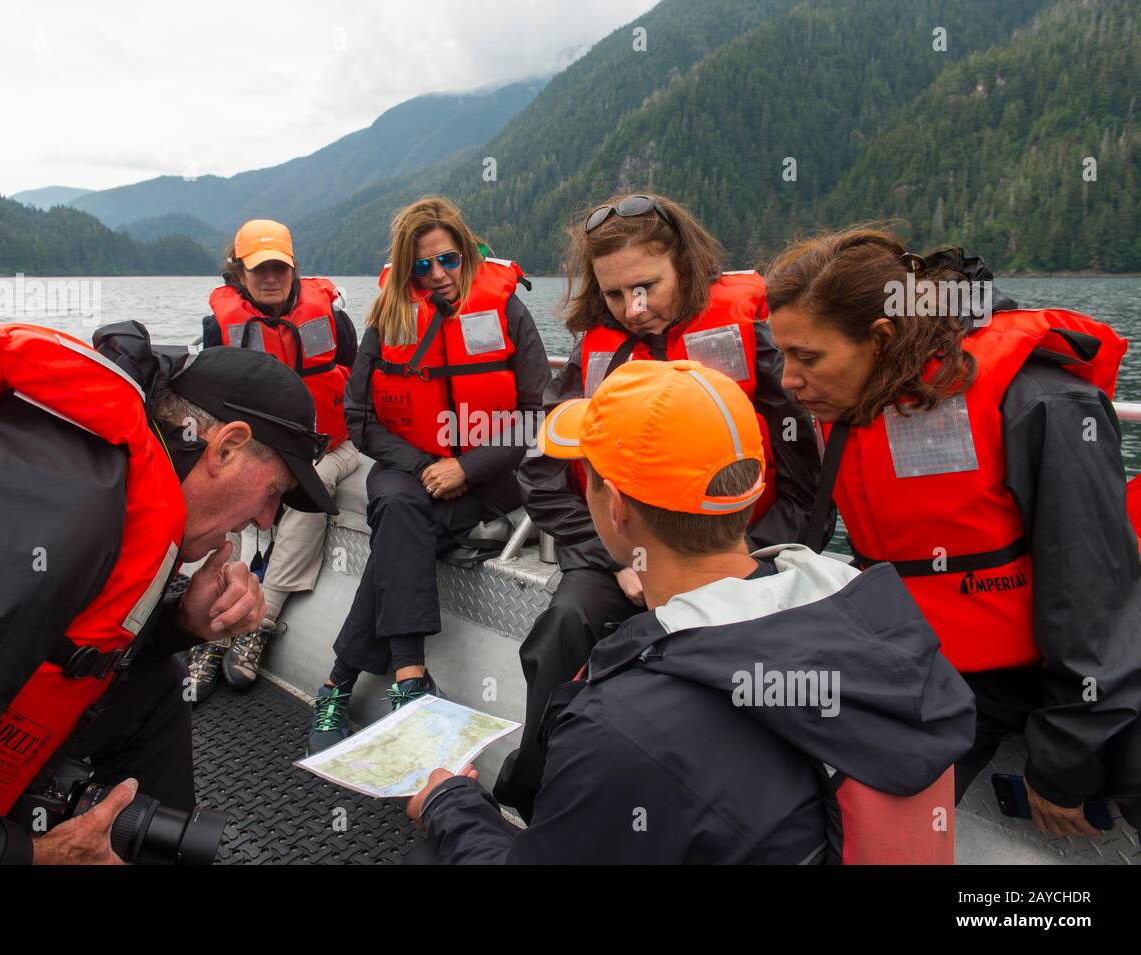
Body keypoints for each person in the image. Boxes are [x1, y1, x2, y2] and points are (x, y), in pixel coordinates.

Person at [404, 359, 974, 863]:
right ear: (745, 486)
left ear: (617, 509)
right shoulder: (876, 618)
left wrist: (452, 806)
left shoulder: (619, 726)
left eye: (590, 479)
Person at [0, 320, 337, 863]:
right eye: (274, 494)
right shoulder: (44, 526)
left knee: (149, 688)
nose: (266, 519)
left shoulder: (106, 479)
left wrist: (178, 623)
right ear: (225, 448)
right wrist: (37, 853)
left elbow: (61, 644)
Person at [764, 227, 1141, 836]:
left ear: (882, 339)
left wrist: (1066, 755)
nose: (788, 378)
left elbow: (1094, 594)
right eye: (784, 354)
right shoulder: (865, 397)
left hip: (1062, 671)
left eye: (807, 357)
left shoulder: (1040, 401)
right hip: (933, 662)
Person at [494, 193, 824, 819]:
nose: (634, 308)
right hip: (618, 550)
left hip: (737, 549)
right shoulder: (595, 350)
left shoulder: (753, 331)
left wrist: (739, 563)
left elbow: (809, 482)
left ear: (686, 263)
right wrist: (612, 559)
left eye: (647, 286)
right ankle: (537, 797)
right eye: (615, 295)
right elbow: (540, 476)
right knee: (565, 626)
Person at [306, 196, 550, 755]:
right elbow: (360, 419)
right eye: (422, 266)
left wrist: (467, 466)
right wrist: (425, 465)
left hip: (492, 475)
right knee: (399, 506)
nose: (439, 275)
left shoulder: (507, 308)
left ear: (467, 253)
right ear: (406, 268)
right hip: (407, 469)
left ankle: (339, 684)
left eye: (449, 260)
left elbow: (539, 412)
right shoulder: (387, 319)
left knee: (399, 530)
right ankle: (410, 680)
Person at [186, 219, 359, 700]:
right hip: (256, 448)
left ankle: (260, 620)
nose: (270, 278)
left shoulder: (333, 318)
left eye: (279, 268)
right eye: (258, 268)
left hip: (328, 446)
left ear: (293, 268)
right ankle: (215, 628)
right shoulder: (218, 326)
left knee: (316, 486)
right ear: (238, 271)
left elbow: (357, 381)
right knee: (232, 484)